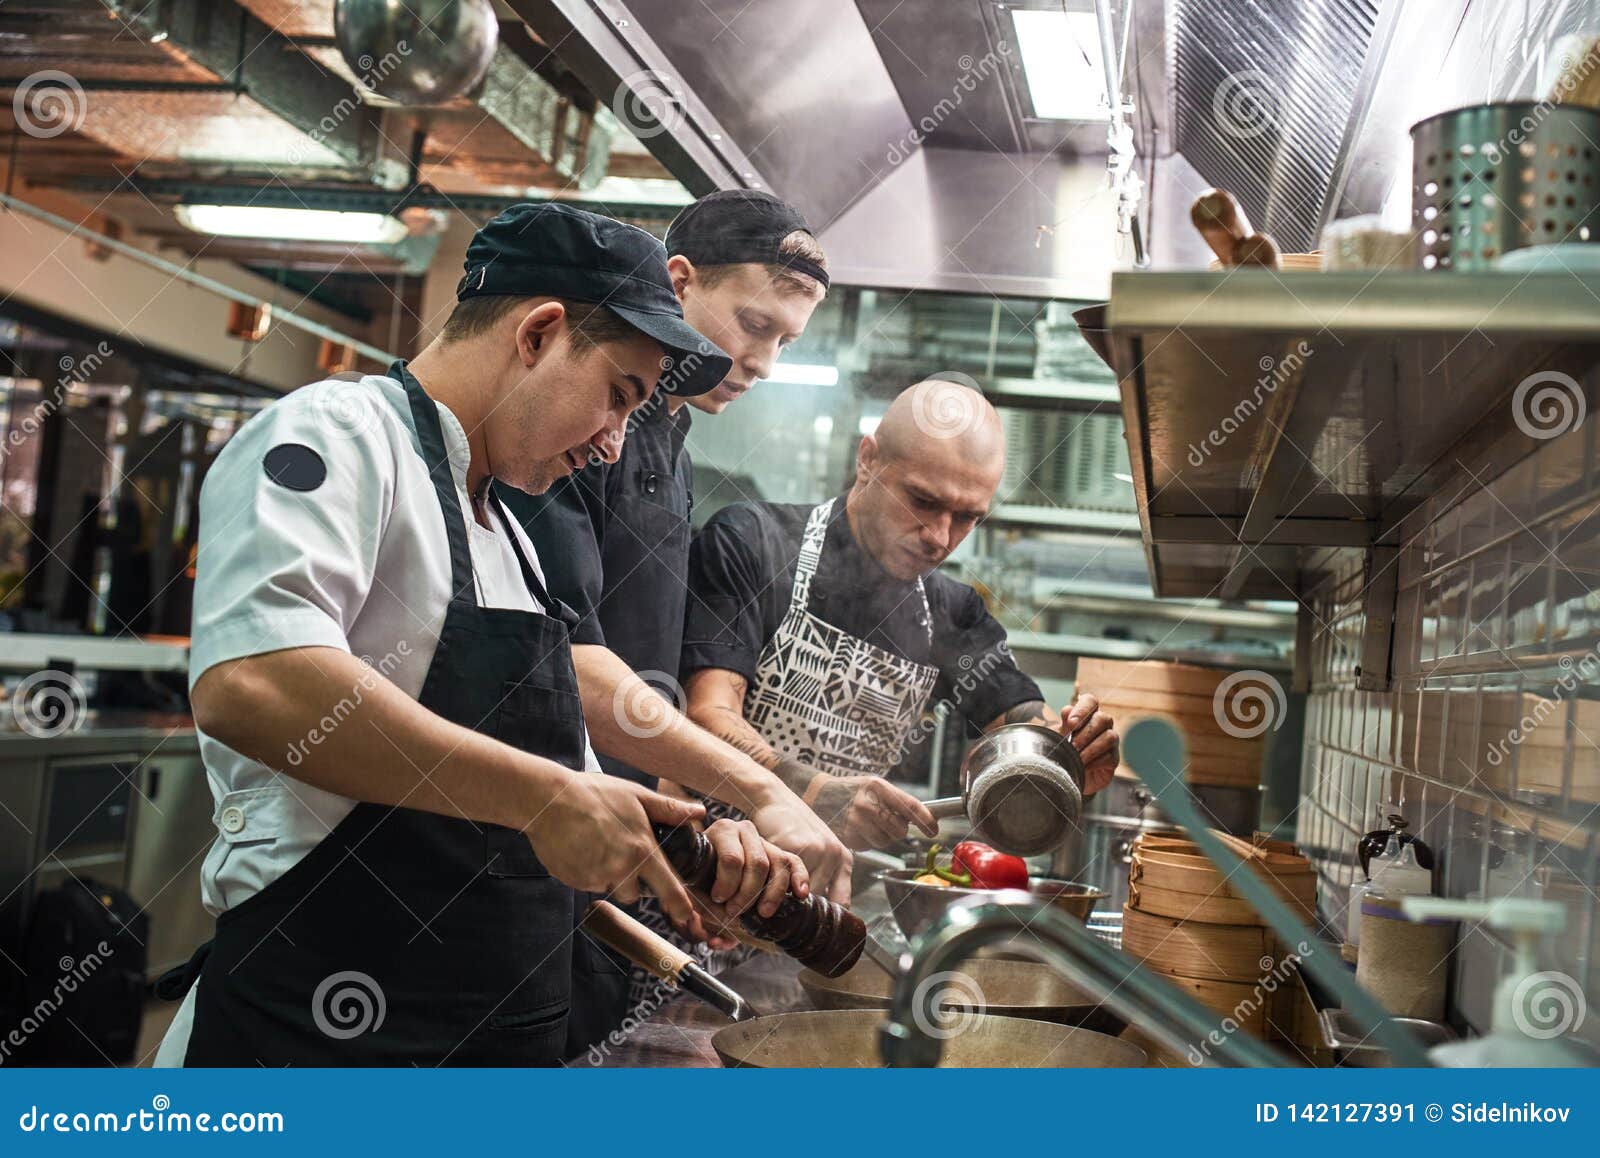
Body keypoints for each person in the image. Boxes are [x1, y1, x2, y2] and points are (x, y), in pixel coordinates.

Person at [152, 204, 806, 1067]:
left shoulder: (511, 539)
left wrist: (683, 839)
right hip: (317, 1043)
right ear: (538, 334)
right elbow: (255, 683)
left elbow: (548, 768)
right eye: (618, 396)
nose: (614, 446)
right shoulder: (340, 436)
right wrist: (546, 799)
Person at [504, 191, 927, 1049]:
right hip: (537, 827)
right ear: (679, 281)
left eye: (785, 342)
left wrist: (683, 827)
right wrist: (764, 789)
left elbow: (640, 664)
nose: (765, 360)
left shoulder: (668, 439)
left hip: (617, 840)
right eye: (753, 323)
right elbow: (566, 656)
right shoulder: (578, 431)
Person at [677, 378, 1122, 851]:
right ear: (868, 459)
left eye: (967, 516)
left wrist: (1065, 753)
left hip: (816, 897)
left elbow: (1019, 722)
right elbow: (708, 716)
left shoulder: (953, 612)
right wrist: (813, 792)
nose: (940, 537)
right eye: (923, 501)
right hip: (694, 868)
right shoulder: (752, 544)